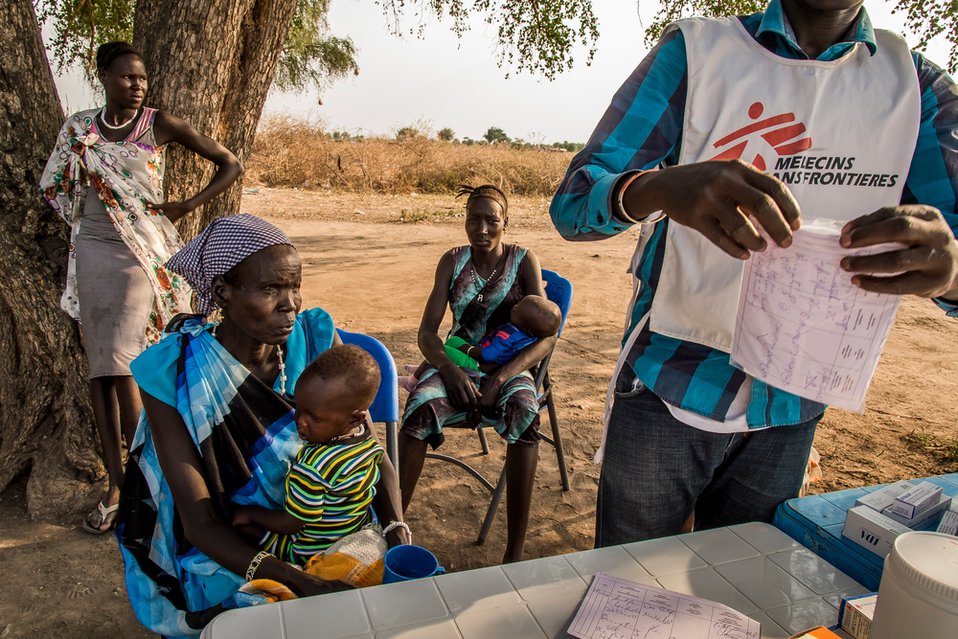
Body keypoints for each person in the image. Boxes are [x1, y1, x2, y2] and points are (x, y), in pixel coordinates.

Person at [550, 0, 958, 547]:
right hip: (669, 381)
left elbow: (947, 255)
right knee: (629, 586)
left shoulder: (916, 89)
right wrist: (656, 188)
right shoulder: (697, 54)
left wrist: (947, 268)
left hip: (794, 403)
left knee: (741, 592)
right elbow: (575, 206)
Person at [115, 215, 408, 638]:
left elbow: (369, 452)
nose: (290, 303)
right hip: (232, 542)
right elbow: (200, 522)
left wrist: (398, 532)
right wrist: (300, 580)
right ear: (223, 293)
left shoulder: (317, 340)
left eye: (294, 286)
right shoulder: (174, 373)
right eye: (271, 289)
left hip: (327, 529)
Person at [39, 41, 243, 534]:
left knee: (124, 359)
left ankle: (142, 483)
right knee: (100, 366)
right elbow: (56, 185)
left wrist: (182, 207)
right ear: (104, 76)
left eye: (142, 79)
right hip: (92, 244)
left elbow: (230, 164)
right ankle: (116, 481)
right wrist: (95, 213)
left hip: (138, 249)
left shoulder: (159, 124)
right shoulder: (79, 129)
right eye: (127, 77)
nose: (137, 86)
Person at [399, 184, 558, 563]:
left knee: (524, 410)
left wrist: (502, 379)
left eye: (492, 220)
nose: (482, 228)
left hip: (509, 366)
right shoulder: (452, 262)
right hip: (457, 361)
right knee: (419, 407)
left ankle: (514, 552)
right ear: (465, 221)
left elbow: (546, 337)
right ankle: (392, 532)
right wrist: (449, 371)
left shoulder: (523, 261)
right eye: (474, 219)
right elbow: (427, 333)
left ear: (506, 222)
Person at [232, 344, 387, 567]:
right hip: (352, 531)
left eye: (314, 418)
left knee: (239, 525)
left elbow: (290, 524)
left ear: (354, 419)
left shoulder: (314, 467)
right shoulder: (366, 442)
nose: (300, 421)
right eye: (299, 408)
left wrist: (251, 513)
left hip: (308, 551)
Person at [399, 295, 562, 391]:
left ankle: (411, 382)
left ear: (526, 326)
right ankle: (424, 367)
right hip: (482, 355)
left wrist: (468, 349)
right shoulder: (527, 334)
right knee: (453, 341)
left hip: (479, 364)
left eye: (518, 310)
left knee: (439, 350)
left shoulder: (510, 334)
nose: (514, 307)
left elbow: (487, 355)